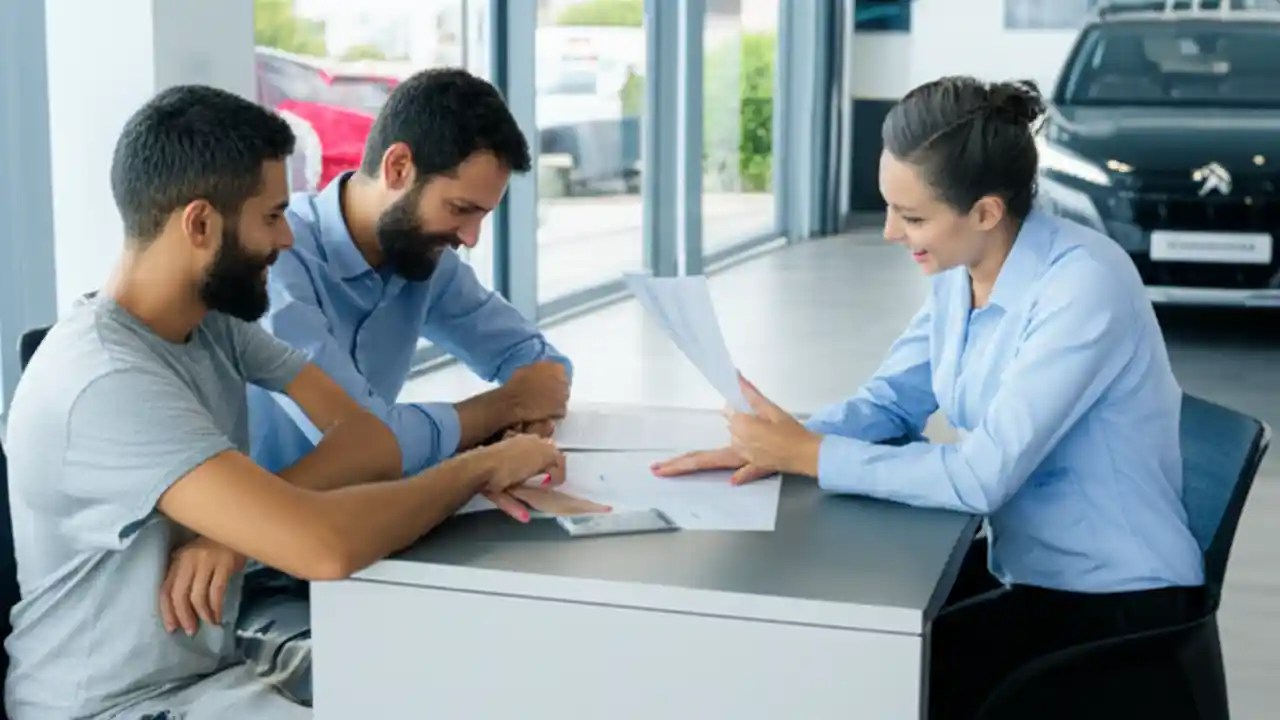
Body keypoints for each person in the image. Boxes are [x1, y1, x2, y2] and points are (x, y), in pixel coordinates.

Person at [652, 76, 1206, 719]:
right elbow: (892, 401)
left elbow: (982, 478)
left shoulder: (1084, 285)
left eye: (912, 217)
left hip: (1115, 598)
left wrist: (811, 454)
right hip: (1023, 565)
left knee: (883, 681)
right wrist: (776, 444)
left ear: (987, 211)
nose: (890, 232)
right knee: (850, 644)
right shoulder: (961, 269)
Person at [2, 85, 562, 720]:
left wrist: (242, 527)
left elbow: (371, 441)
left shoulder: (212, 325)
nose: (289, 240)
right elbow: (322, 546)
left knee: (465, 680)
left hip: (209, 674)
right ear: (201, 225)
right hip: (116, 705)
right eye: (271, 217)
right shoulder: (105, 379)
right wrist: (480, 466)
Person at [235, 67, 573, 704]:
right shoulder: (277, 263)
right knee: (432, 683)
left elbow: (539, 360)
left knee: (531, 651)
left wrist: (528, 416)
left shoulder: (422, 258)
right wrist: (502, 411)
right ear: (397, 167)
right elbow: (369, 438)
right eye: (461, 209)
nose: (470, 237)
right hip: (260, 562)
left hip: (373, 531)